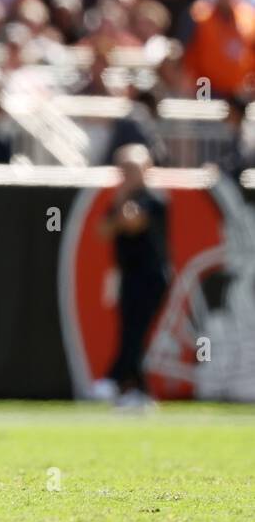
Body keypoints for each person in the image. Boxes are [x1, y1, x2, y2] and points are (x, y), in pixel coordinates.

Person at [96, 144, 170, 408]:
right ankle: (138, 392)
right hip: (128, 275)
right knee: (130, 331)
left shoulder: (154, 198)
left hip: (150, 277)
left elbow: (133, 222)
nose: (126, 174)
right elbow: (103, 230)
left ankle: (113, 379)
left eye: (131, 168)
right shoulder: (118, 200)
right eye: (123, 169)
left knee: (135, 332)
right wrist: (120, 205)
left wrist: (122, 206)